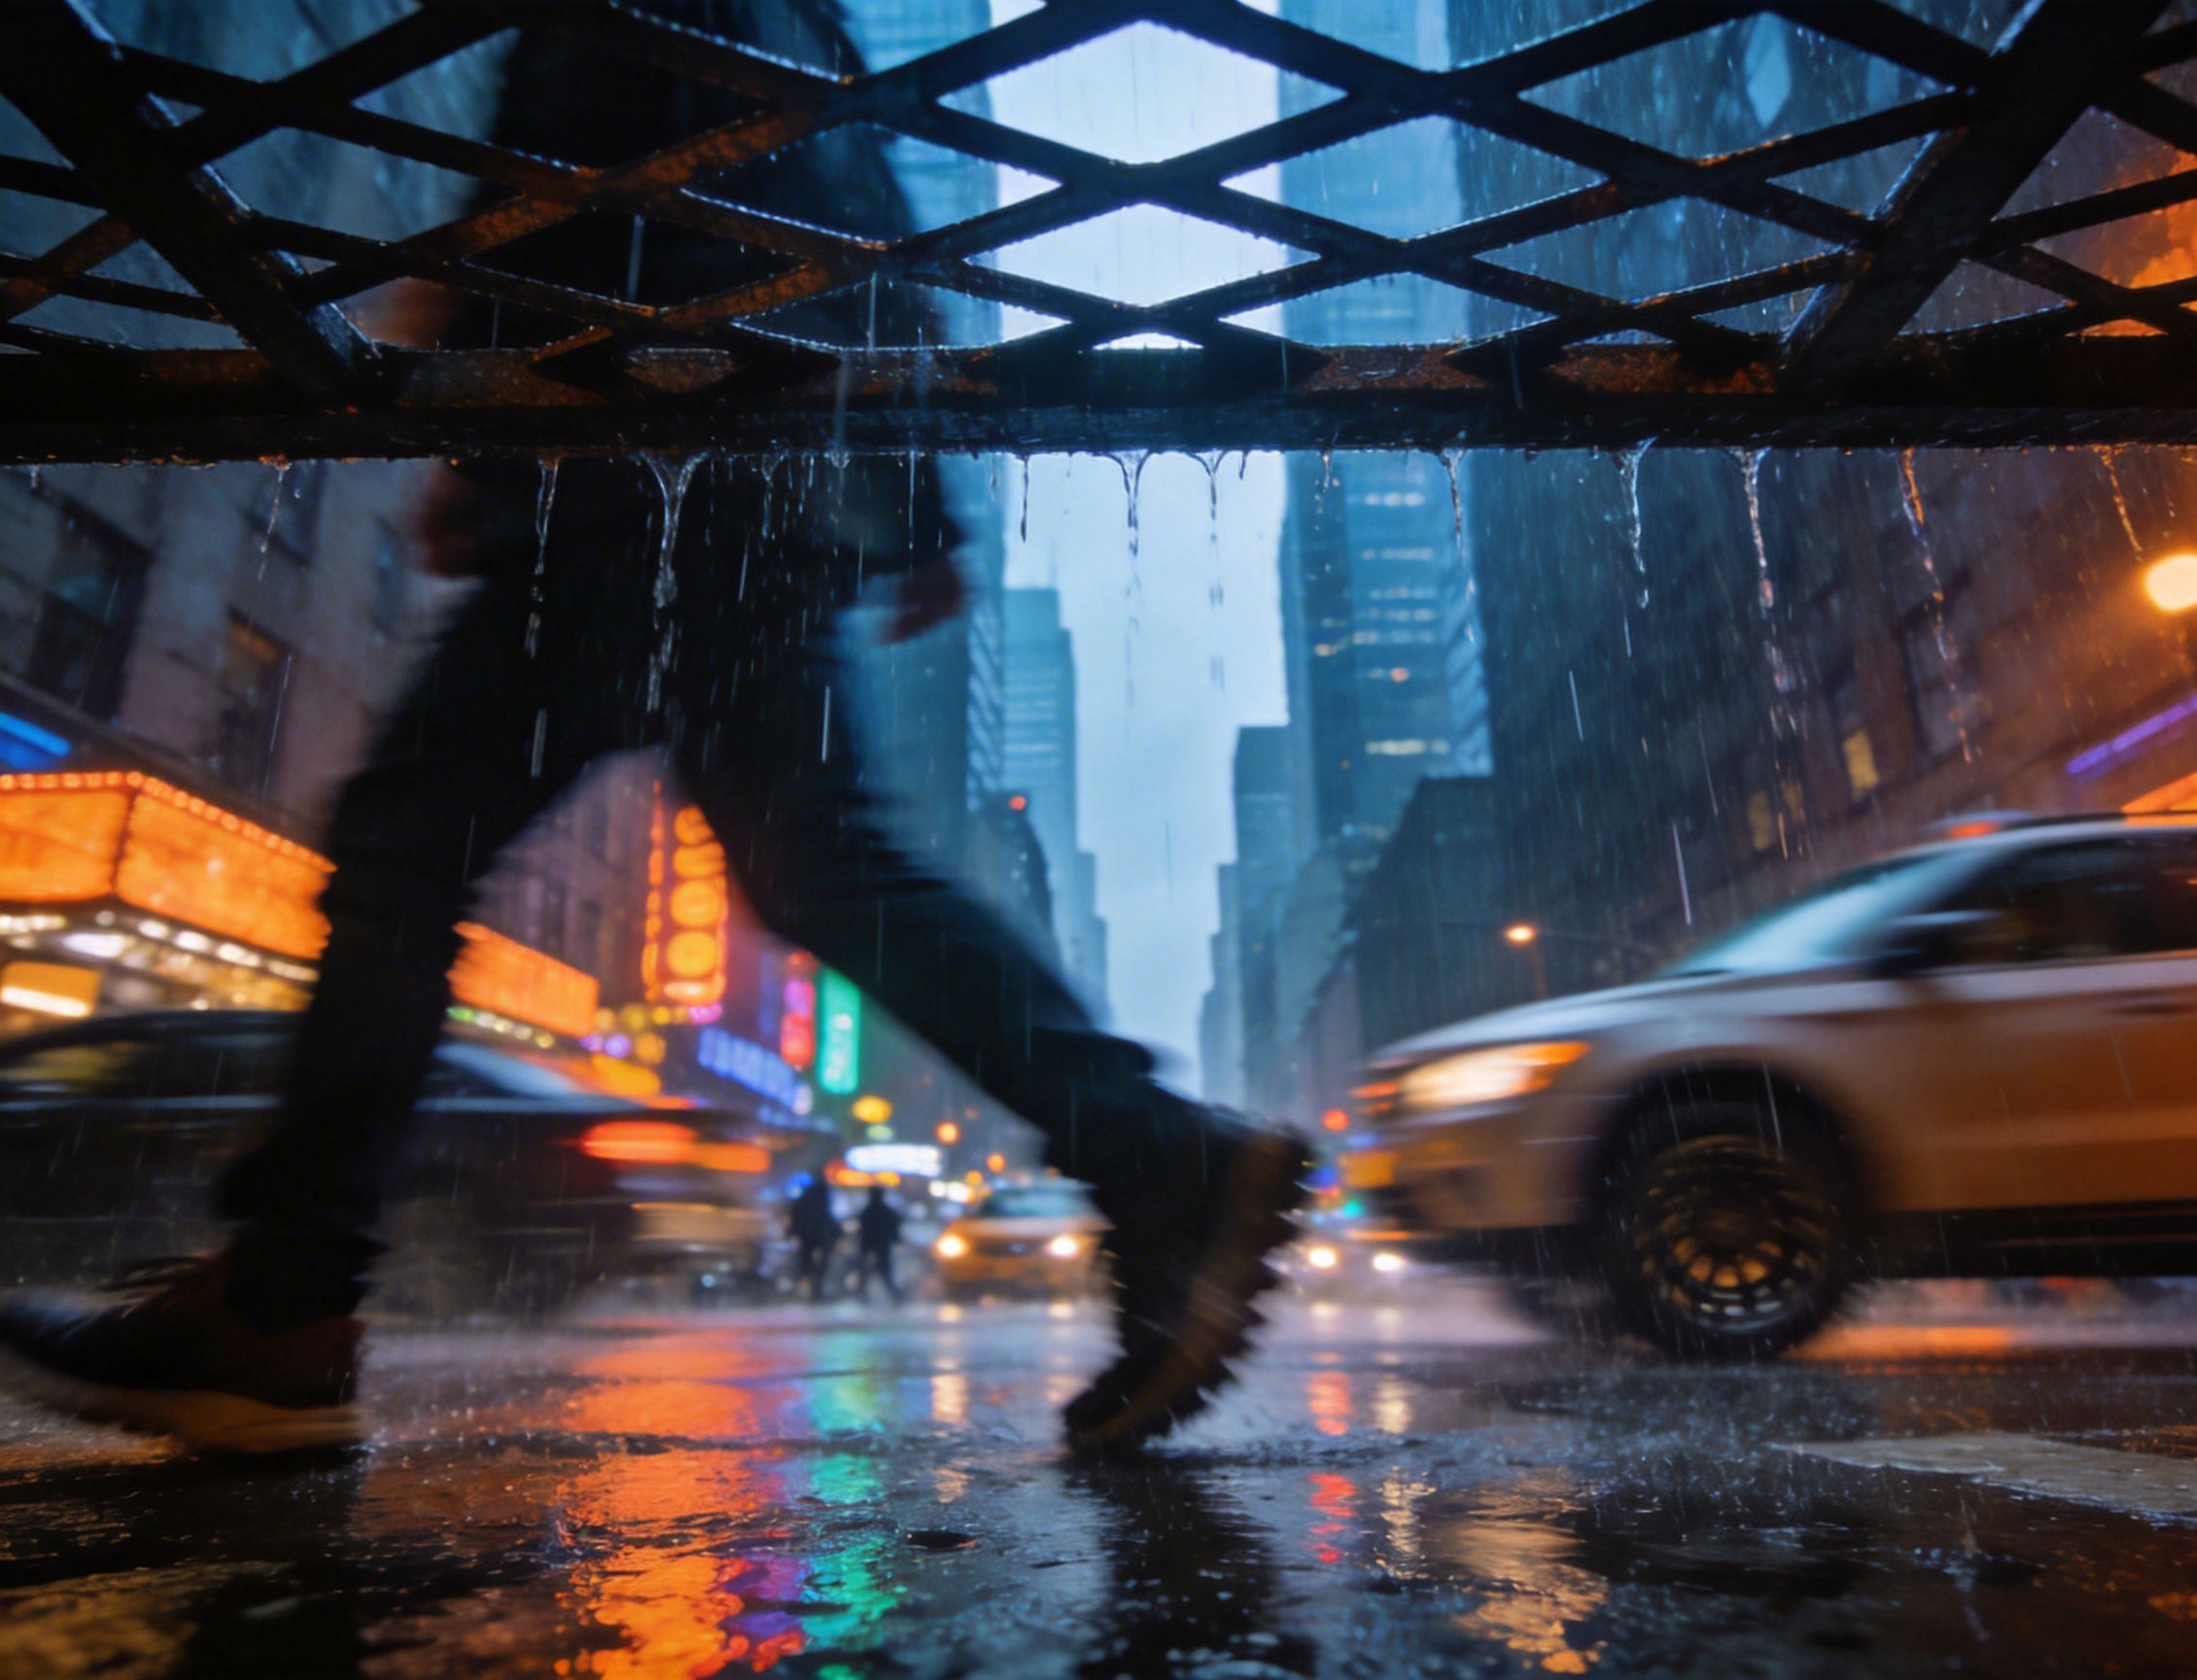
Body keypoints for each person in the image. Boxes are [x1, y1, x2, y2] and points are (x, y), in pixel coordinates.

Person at [0, 0, 1304, 1459]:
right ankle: (1154, 1153)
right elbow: (870, 239)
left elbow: (563, 163)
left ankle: (282, 1306)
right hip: (754, 465)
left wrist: (484, 420)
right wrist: (914, 506)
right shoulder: (818, 31)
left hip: (635, 452)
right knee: (817, 869)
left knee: (411, 851)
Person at [786, 1178, 840, 1305]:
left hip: (810, 1238)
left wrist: (792, 1233)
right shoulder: (820, 1202)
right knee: (814, 1264)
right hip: (817, 1238)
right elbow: (828, 1221)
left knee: (806, 1265)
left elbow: (796, 1219)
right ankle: (813, 1290)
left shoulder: (805, 1202)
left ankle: (809, 1289)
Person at [854, 1186, 905, 1306]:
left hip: (875, 1247)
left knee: (873, 1273)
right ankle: (862, 1295)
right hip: (877, 1247)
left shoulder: (870, 1211)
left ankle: (895, 1296)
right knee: (873, 1273)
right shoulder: (881, 1211)